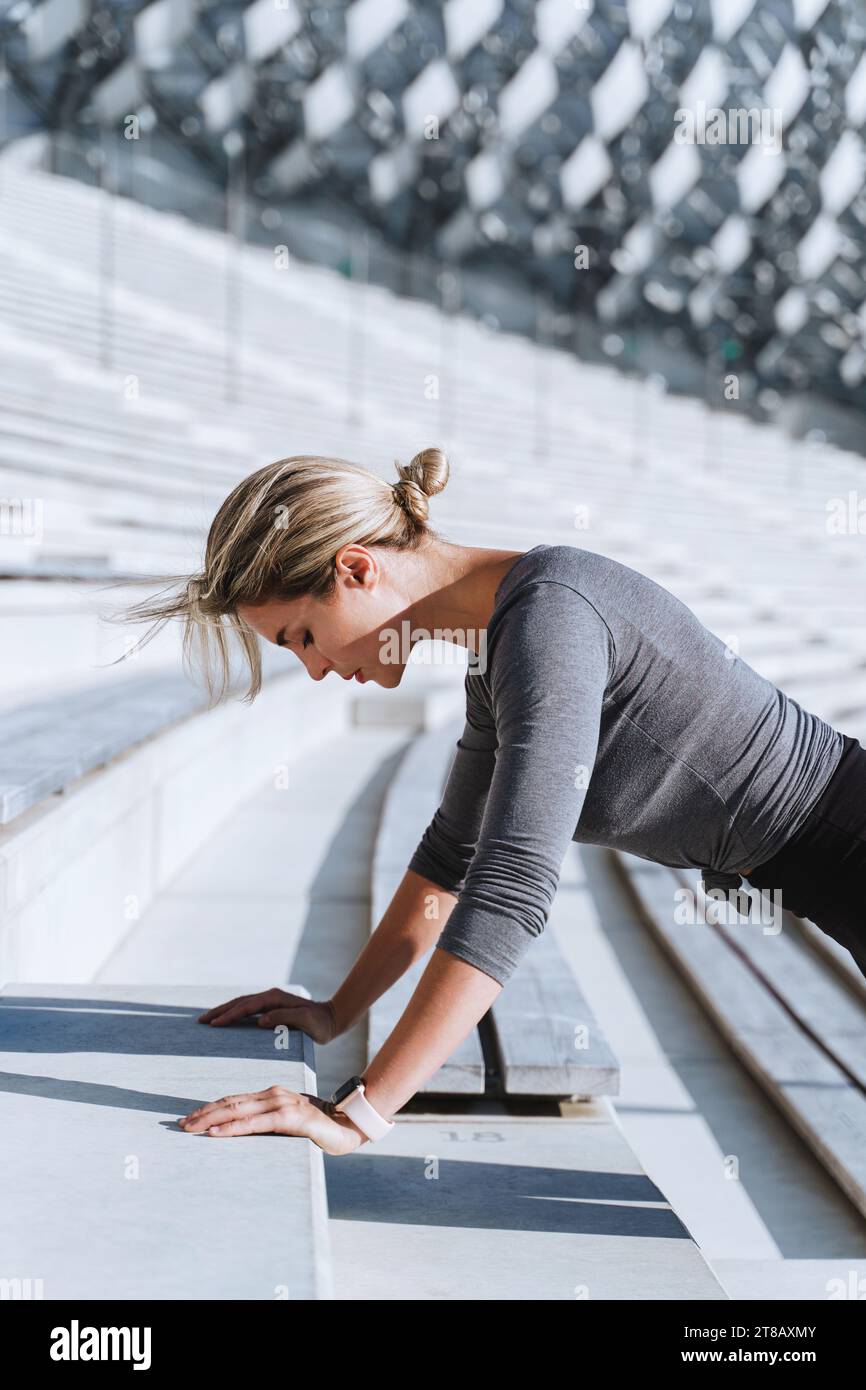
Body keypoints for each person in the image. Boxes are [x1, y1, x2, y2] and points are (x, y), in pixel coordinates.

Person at [115, 446, 863, 1154]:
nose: (313, 670)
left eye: (303, 637)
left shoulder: (550, 620)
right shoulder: (501, 646)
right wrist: (336, 1013)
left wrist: (357, 1114)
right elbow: (451, 856)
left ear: (355, 570)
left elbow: (511, 885)